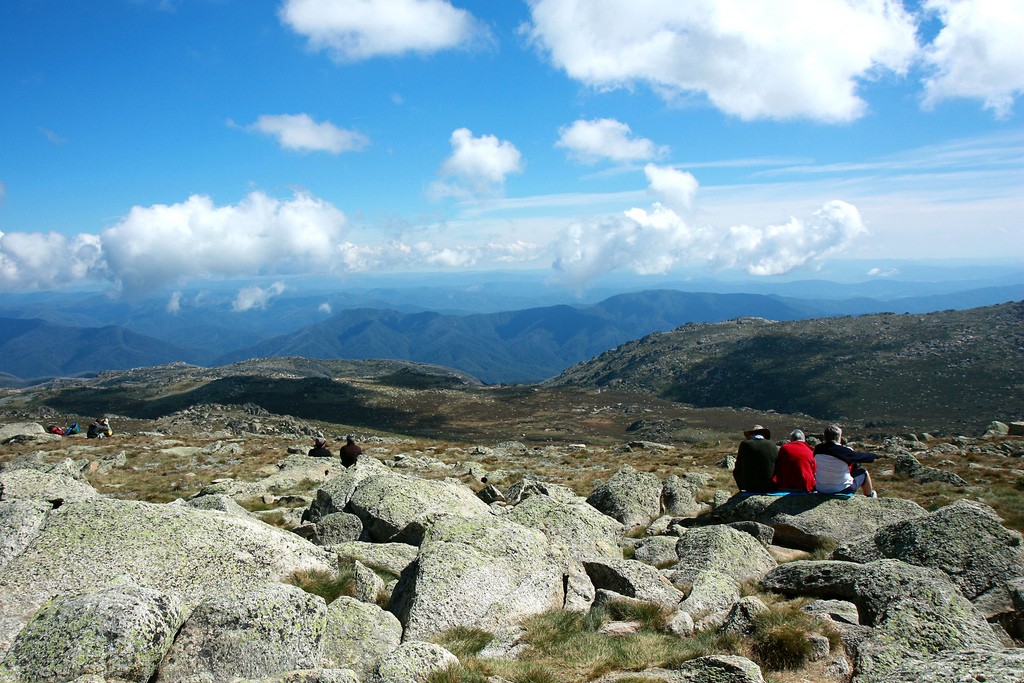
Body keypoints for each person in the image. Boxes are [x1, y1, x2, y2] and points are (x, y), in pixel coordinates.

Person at [814, 424, 878, 497]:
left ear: (825, 437)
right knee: (863, 472)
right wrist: (875, 456)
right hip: (842, 489)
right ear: (838, 438)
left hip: (821, 489)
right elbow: (862, 457)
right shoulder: (844, 452)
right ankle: (870, 496)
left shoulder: (818, 449)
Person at [733, 424, 777, 492]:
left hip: (749, 486)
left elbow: (738, 466)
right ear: (764, 434)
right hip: (769, 486)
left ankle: (742, 489)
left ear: (751, 434)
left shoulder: (745, 444)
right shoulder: (772, 445)